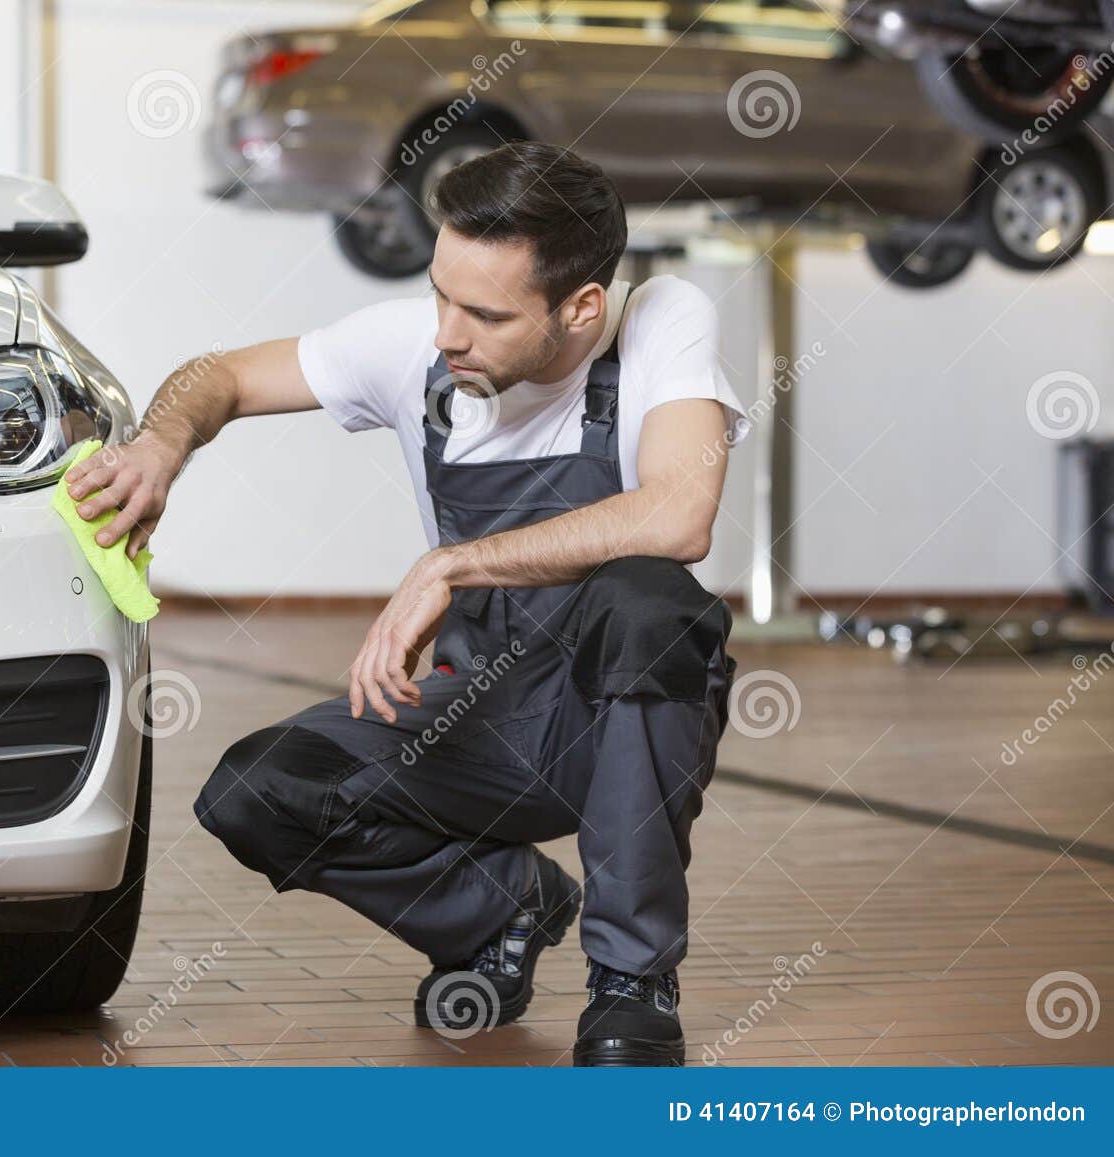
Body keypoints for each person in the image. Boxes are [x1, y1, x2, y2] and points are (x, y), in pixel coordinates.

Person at [65, 141, 751, 1066]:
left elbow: (678, 512)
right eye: (439, 294)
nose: (446, 334)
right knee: (257, 790)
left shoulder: (659, 322)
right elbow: (218, 376)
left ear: (582, 307)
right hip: (486, 715)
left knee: (647, 598)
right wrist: (158, 447)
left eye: (484, 313)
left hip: (622, 711)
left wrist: (451, 566)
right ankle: (500, 907)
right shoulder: (418, 353)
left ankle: (631, 981)